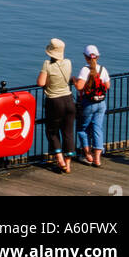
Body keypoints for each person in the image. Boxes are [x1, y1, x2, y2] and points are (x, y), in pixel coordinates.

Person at [37, 38, 75, 173]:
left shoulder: (47, 64)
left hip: (54, 101)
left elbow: (41, 83)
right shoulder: (68, 63)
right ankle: (68, 164)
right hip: (69, 100)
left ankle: (59, 158)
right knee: (68, 132)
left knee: (52, 131)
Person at [75, 44, 111, 167]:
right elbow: (107, 86)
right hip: (101, 103)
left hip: (88, 103)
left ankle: (88, 155)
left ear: (85, 57)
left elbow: (79, 86)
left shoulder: (85, 70)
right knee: (97, 128)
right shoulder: (103, 69)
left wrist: (74, 80)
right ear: (97, 57)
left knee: (82, 128)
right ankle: (97, 159)